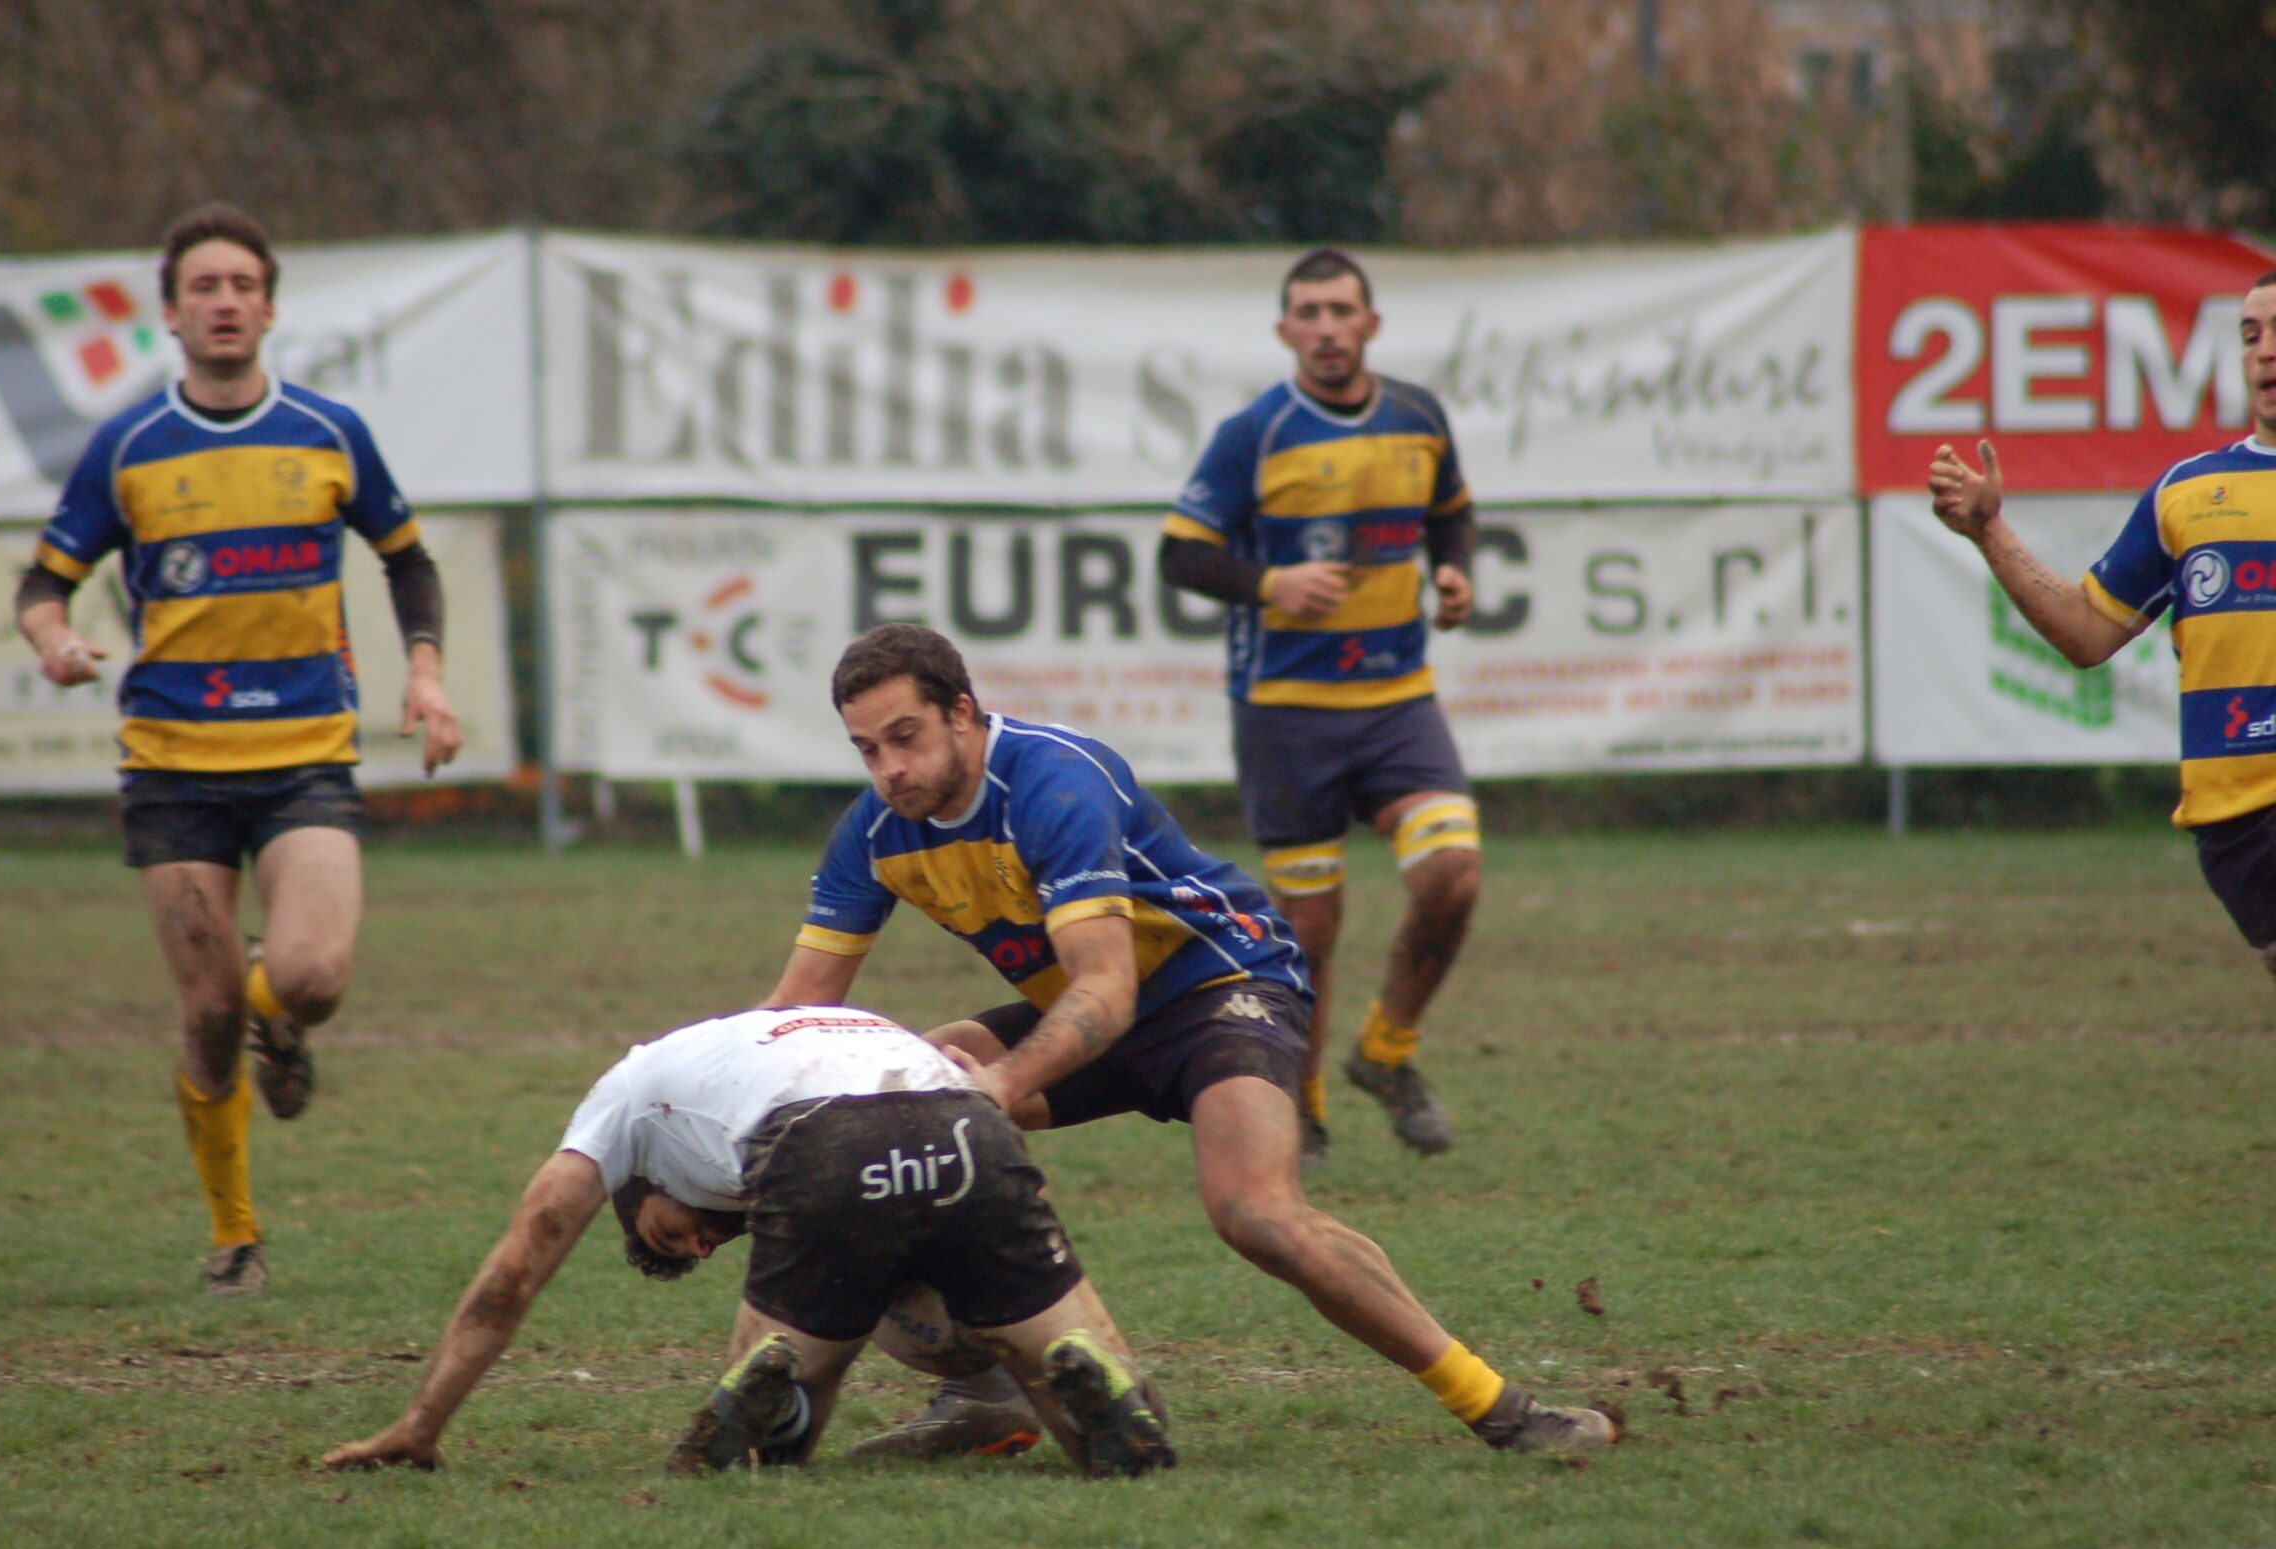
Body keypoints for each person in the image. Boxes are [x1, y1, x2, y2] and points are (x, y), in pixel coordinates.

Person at [762, 623, 1613, 1461]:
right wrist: (701, 1114)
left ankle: (1500, 1407)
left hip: (1221, 986)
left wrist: (1003, 1085)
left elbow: (1106, 988)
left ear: (961, 712)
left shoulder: (1055, 781)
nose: (890, 770)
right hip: (1090, 1009)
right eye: (867, 750)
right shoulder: (874, 833)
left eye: (904, 737)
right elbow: (796, 1011)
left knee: (1255, 1212)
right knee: (887, 1098)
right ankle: (984, 1390)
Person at [14, 202, 463, 1298]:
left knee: (308, 979)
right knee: (206, 1022)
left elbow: (407, 560)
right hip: (172, 764)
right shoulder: (128, 445)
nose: (224, 302)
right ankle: (235, 1238)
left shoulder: (327, 431)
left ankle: (277, 1014)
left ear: (268, 306)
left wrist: (425, 671)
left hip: (307, 753)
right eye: (203, 286)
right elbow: (42, 585)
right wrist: (58, 641)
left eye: (242, 285)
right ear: (170, 313)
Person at [322, 1007, 1176, 1479]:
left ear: (640, 1187)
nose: (698, 1245)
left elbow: (516, 1265)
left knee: (759, 1457)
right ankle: (1072, 1370)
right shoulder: (776, 1038)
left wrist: (420, 1424)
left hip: (826, 1142)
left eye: (668, 1231)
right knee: (1127, 1431)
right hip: (966, 1123)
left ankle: (786, 1399)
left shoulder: (619, 1106)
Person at [1158, 246, 1481, 1163]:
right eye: (1310, 313)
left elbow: (1453, 511)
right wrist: (1272, 584)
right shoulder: (1253, 433)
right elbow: (1182, 553)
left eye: (1343, 311)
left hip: (1397, 702)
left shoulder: (1418, 416)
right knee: (1310, 927)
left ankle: (1387, 1053)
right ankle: (1300, 1105)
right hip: (1286, 713)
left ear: (1371, 324)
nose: (1328, 328)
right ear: (1286, 331)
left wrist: (1454, 570)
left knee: (1452, 873)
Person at [1929, 269, 2276, 989]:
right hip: (2244, 821)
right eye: (2250, 335)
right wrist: (1988, 531)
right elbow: (2086, 631)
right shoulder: (2186, 493)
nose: (2265, 352)